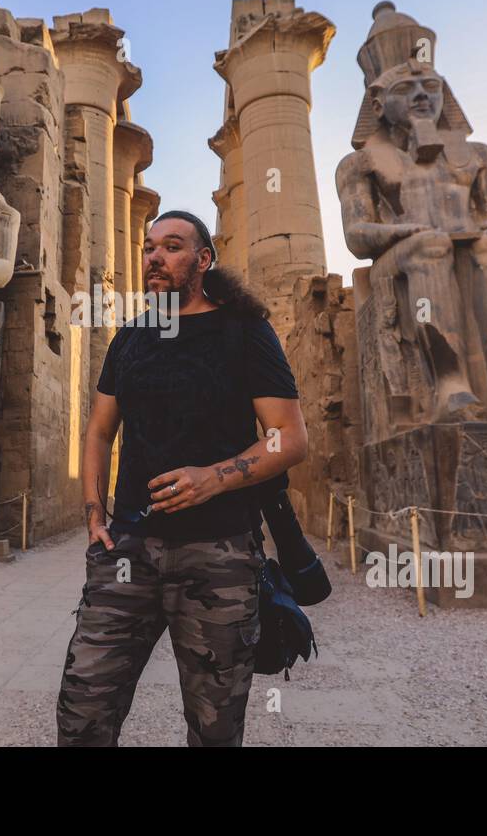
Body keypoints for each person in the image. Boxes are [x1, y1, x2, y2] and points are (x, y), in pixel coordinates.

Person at [55, 209, 307, 746]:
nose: (155, 257)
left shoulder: (245, 331)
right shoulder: (130, 338)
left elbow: (289, 437)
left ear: (203, 259)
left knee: (215, 728)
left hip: (219, 554)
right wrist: (95, 514)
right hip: (127, 552)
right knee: (82, 712)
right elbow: (99, 432)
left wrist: (213, 478)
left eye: (172, 246)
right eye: (149, 247)